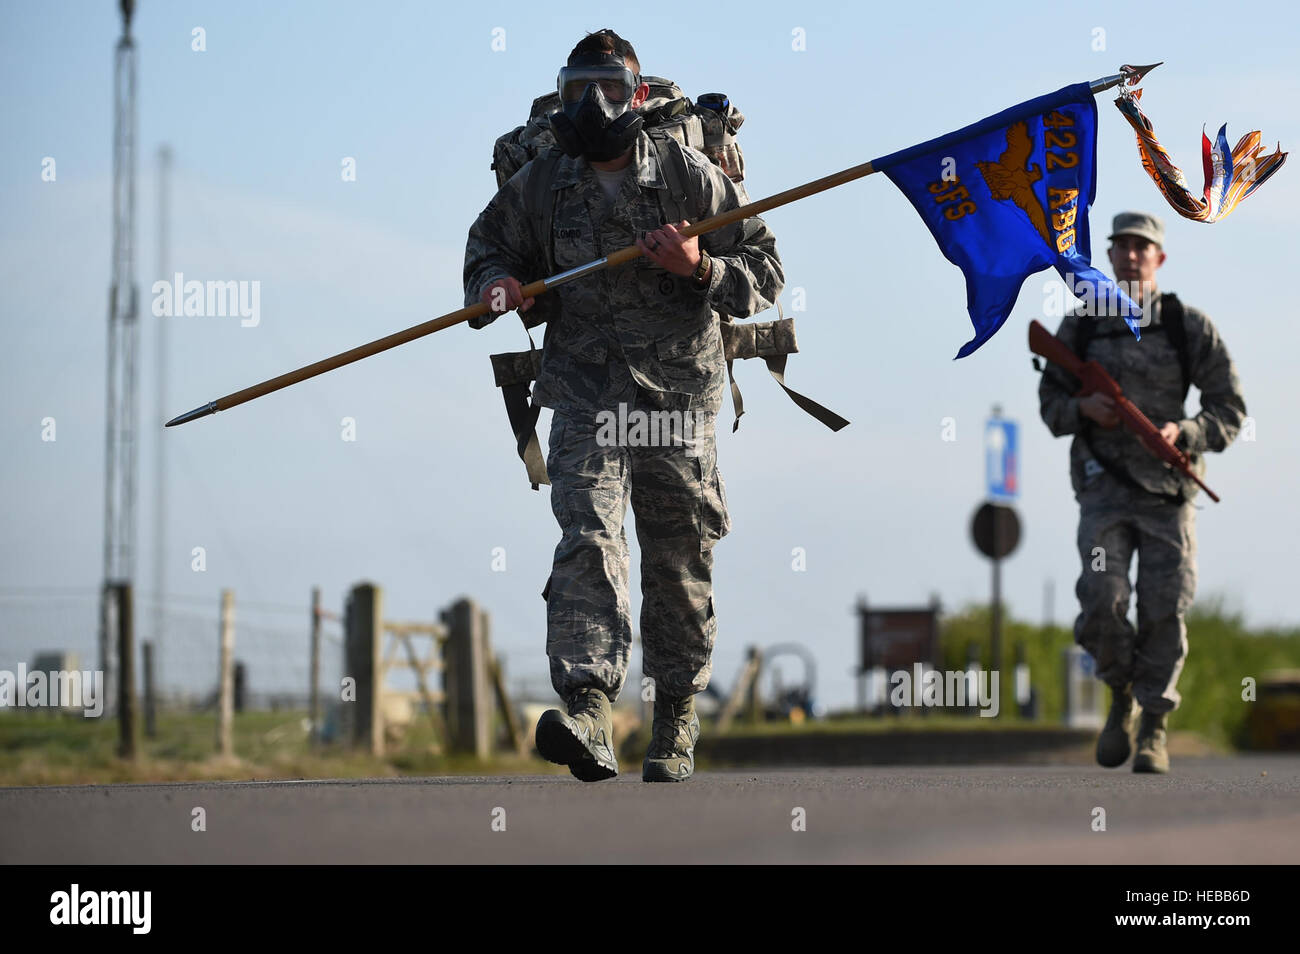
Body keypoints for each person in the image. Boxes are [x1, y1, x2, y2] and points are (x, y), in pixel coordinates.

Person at [463, 30, 783, 782]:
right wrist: (495, 288)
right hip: (584, 393)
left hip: (678, 394)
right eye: (579, 88)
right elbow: (489, 247)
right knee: (589, 537)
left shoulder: (688, 174)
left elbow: (764, 267)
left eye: (611, 87)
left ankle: (674, 713)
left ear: (638, 95)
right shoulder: (543, 181)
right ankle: (590, 709)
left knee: (678, 560)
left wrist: (700, 265)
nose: (594, 104)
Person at [1038, 211, 1246, 773]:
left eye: (1141, 247)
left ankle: (1153, 725)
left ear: (1159, 258)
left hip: (1169, 494)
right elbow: (1051, 406)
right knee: (1102, 601)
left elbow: (1230, 410)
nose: (1130, 256)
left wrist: (1187, 432)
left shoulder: (1187, 326)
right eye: (1121, 247)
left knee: (1165, 611)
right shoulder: (1082, 328)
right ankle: (1120, 695)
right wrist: (1085, 409)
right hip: (1103, 490)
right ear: (1107, 257)